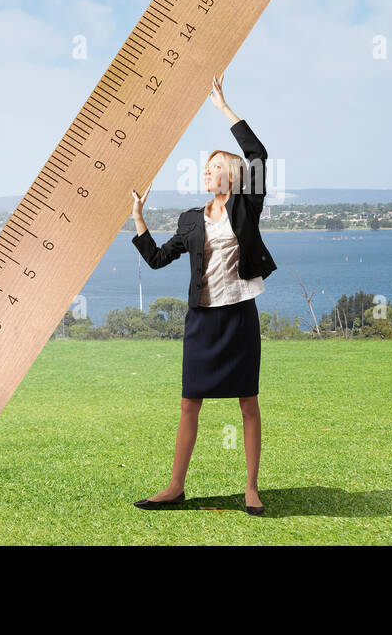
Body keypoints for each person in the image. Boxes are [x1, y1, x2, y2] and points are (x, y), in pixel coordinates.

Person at [128, 73, 277, 516]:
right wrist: (138, 217)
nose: (207, 172)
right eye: (206, 167)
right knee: (189, 402)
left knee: (247, 402)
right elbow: (156, 259)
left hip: (238, 317)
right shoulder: (191, 219)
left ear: (230, 174)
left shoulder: (246, 205)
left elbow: (259, 154)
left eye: (214, 166)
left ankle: (251, 488)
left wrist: (224, 109)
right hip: (202, 321)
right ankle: (175, 487)